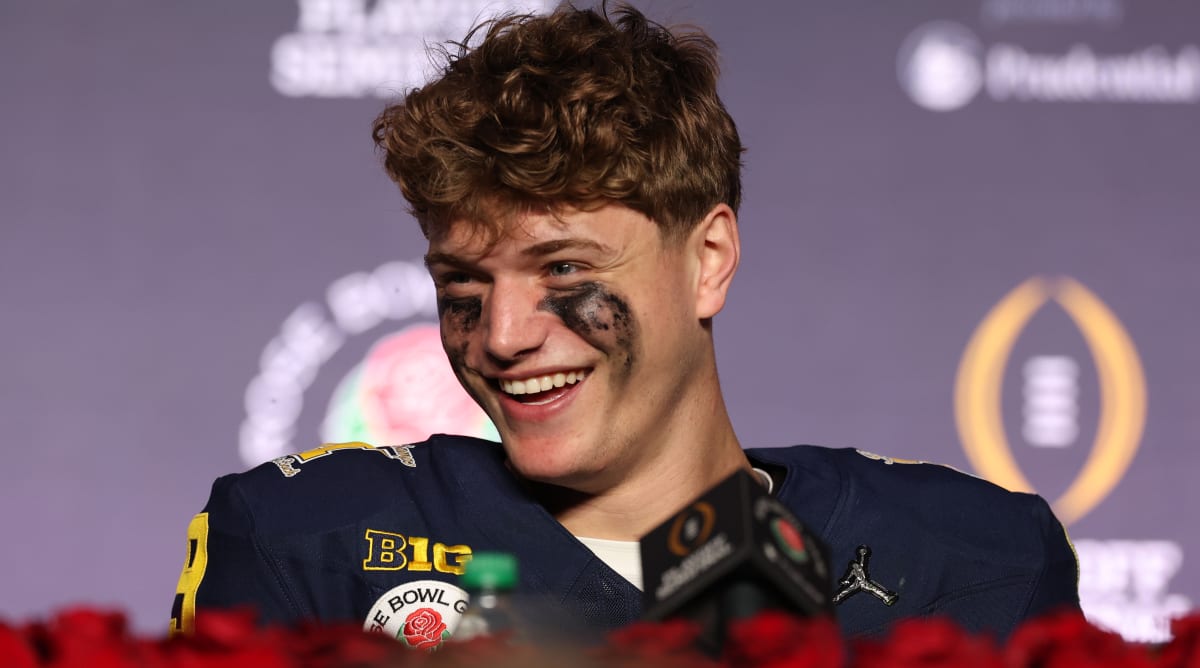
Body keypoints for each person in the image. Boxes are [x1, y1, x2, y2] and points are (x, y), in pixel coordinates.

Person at [171, 2, 1079, 644]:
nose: (502, 336)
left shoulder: (968, 561)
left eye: (563, 269)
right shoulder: (308, 540)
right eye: (463, 285)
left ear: (708, 261)